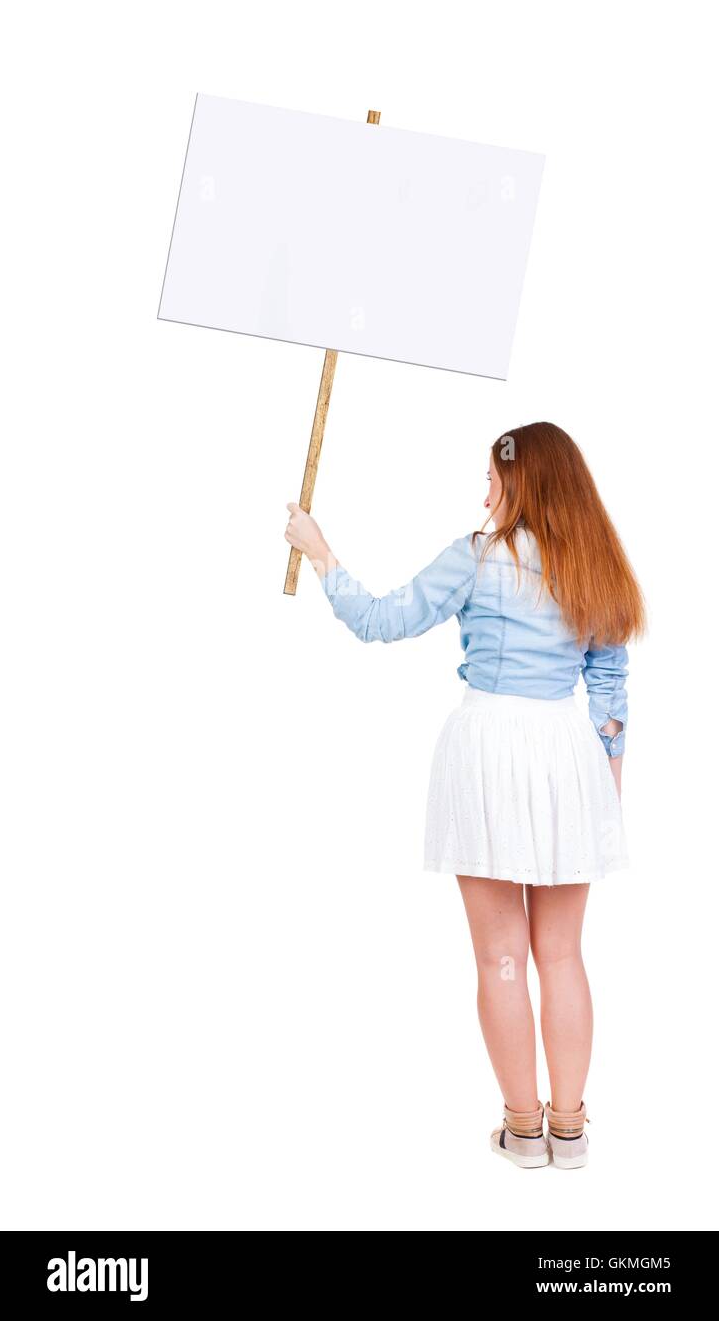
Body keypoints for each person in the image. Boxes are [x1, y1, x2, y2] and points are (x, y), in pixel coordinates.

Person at [284, 421, 645, 1171]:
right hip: (566, 757)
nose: (485, 492)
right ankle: (570, 1130)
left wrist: (320, 553)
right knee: (562, 953)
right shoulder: (597, 566)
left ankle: (522, 1128)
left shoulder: (476, 561)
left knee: (501, 958)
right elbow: (609, 691)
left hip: (487, 754)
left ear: (522, 482)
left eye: (493, 478)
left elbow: (382, 620)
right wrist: (605, 787)